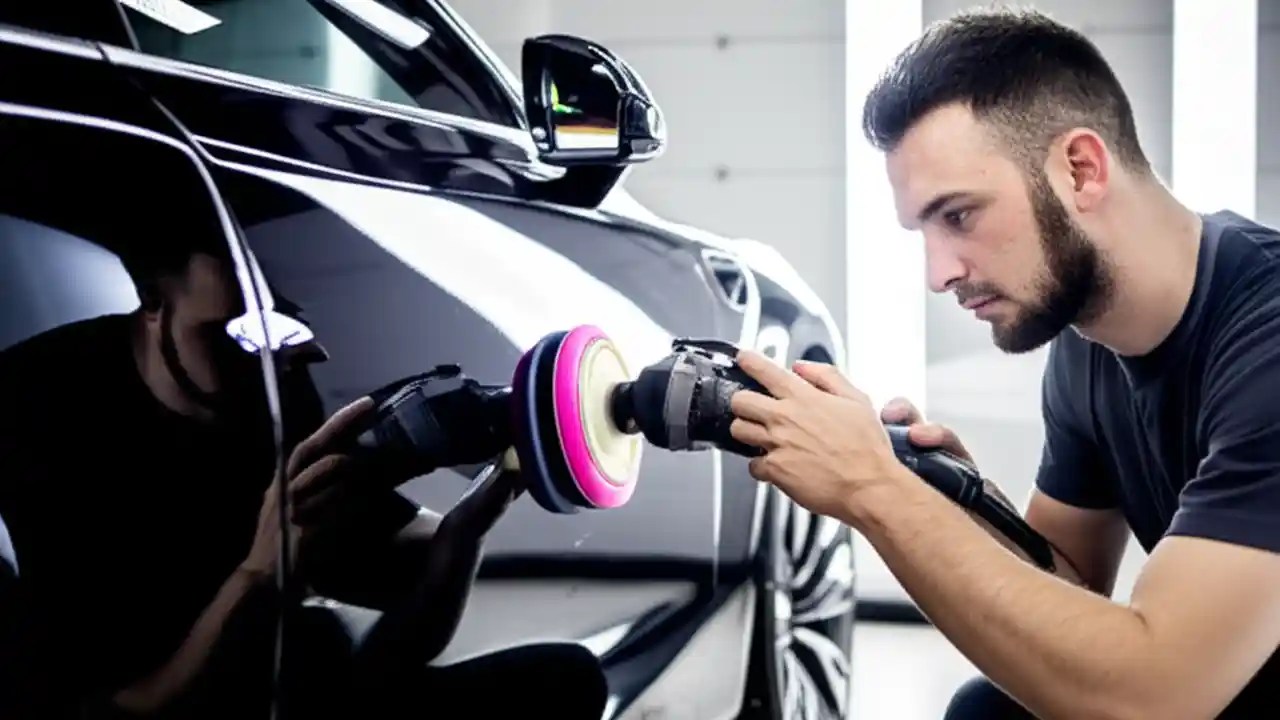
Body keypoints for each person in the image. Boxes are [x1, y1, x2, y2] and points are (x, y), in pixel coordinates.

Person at [726, 8, 1280, 720]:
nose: (939, 272)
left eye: (958, 215)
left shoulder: (1265, 334)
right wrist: (948, 501)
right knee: (990, 710)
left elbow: (1154, 695)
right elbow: (1066, 585)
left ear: (1081, 169)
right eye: (922, 229)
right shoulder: (1086, 347)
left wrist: (871, 488)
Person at [0, 237, 605, 719]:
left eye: (284, 330)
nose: (271, 361)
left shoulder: (269, 393)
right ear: (153, 300)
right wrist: (260, 571)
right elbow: (125, 709)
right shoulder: (39, 414)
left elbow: (399, 651)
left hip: (288, 684)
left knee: (564, 680)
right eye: (236, 333)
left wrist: (462, 533)